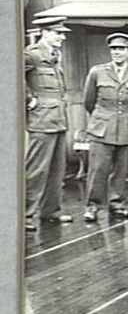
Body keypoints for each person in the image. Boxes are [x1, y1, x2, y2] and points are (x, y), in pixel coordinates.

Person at [83, 33, 128, 222]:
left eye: (121, 49)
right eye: (114, 49)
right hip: (102, 128)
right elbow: (89, 101)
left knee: (121, 169)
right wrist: (103, 118)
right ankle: (92, 206)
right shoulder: (97, 72)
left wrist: (126, 119)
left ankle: (116, 203)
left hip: (125, 128)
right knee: (98, 169)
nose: (117, 52)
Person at [24, 16, 74, 233]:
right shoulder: (32, 54)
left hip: (59, 119)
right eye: (58, 33)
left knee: (57, 168)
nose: (62, 37)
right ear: (45, 33)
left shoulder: (55, 56)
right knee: (35, 169)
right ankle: (24, 214)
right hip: (42, 120)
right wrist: (29, 100)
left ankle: (50, 210)